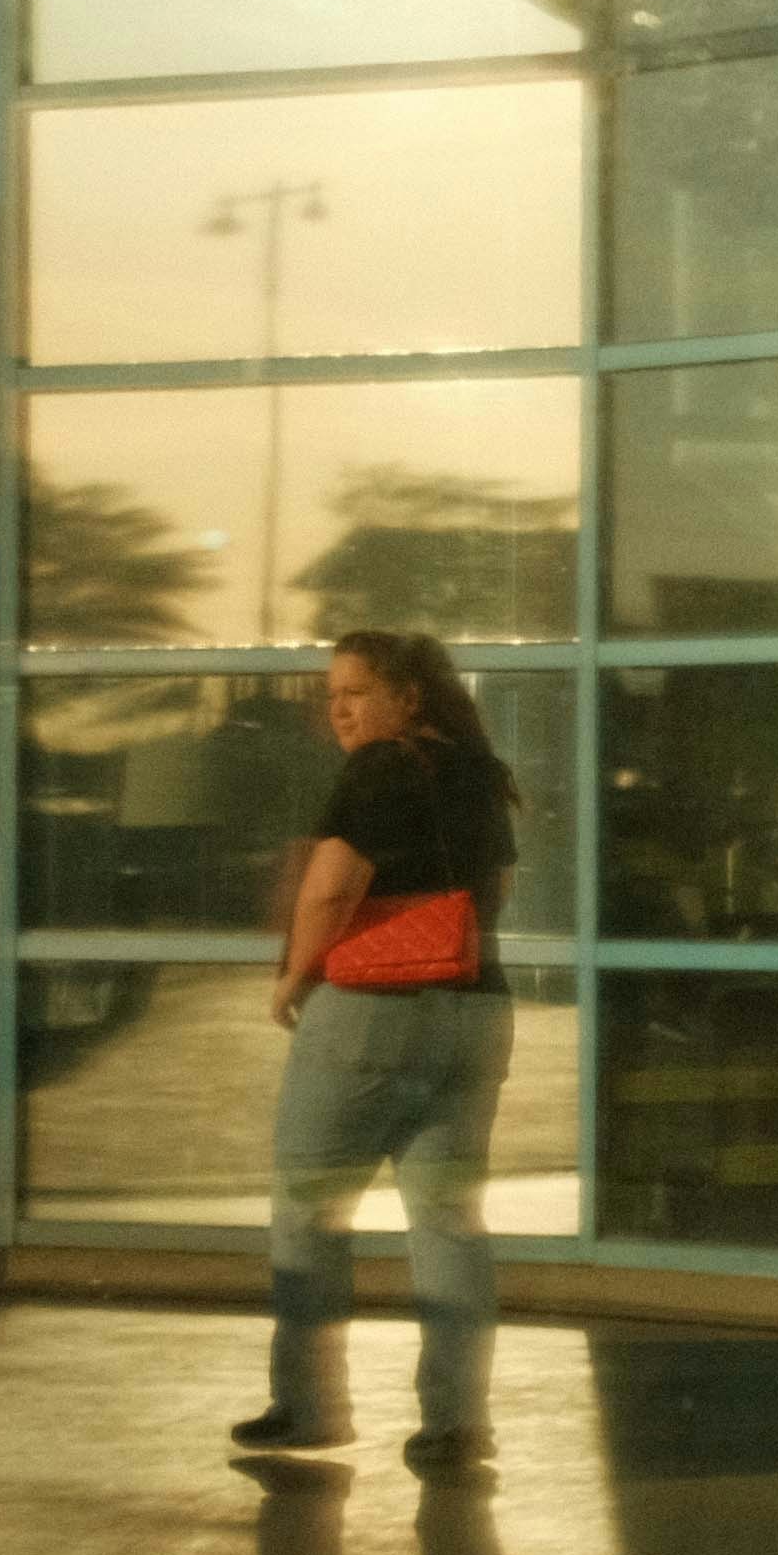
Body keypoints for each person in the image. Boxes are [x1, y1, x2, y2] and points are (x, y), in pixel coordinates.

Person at [236, 628, 521, 1473]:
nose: (340, 712)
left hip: (371, 1010)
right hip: (474, 1015)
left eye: (355, 692)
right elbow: (495, 889)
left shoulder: (381, 767)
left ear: (408, 698)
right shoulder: (481, 773)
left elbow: (330, 887)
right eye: (331, 697)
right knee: (448, 1222)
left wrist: (294, 975)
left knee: (309, 1210)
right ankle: (458, 1421)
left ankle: (311, 1408)